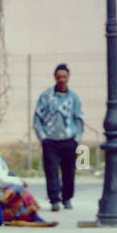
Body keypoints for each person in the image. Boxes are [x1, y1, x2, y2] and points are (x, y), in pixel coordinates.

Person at [0, 135, 55, 226]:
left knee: (16, 190)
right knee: (19, 189)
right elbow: (0, 180)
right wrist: (19, 181)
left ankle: (28, 217)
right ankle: (31, 216)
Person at [33, 64, 84, 211]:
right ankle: (54, 199)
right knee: (51, 171)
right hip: (50, 140)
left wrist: (77, 138)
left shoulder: (73, 97)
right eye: (59, 76)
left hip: (69, 140)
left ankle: (67, 198)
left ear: (68, 77)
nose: (61, 79)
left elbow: (79, 118)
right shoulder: (46, 96)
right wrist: (43, 137)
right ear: (55, 77)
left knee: (69, 171)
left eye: (64, 76)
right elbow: (37, 117)